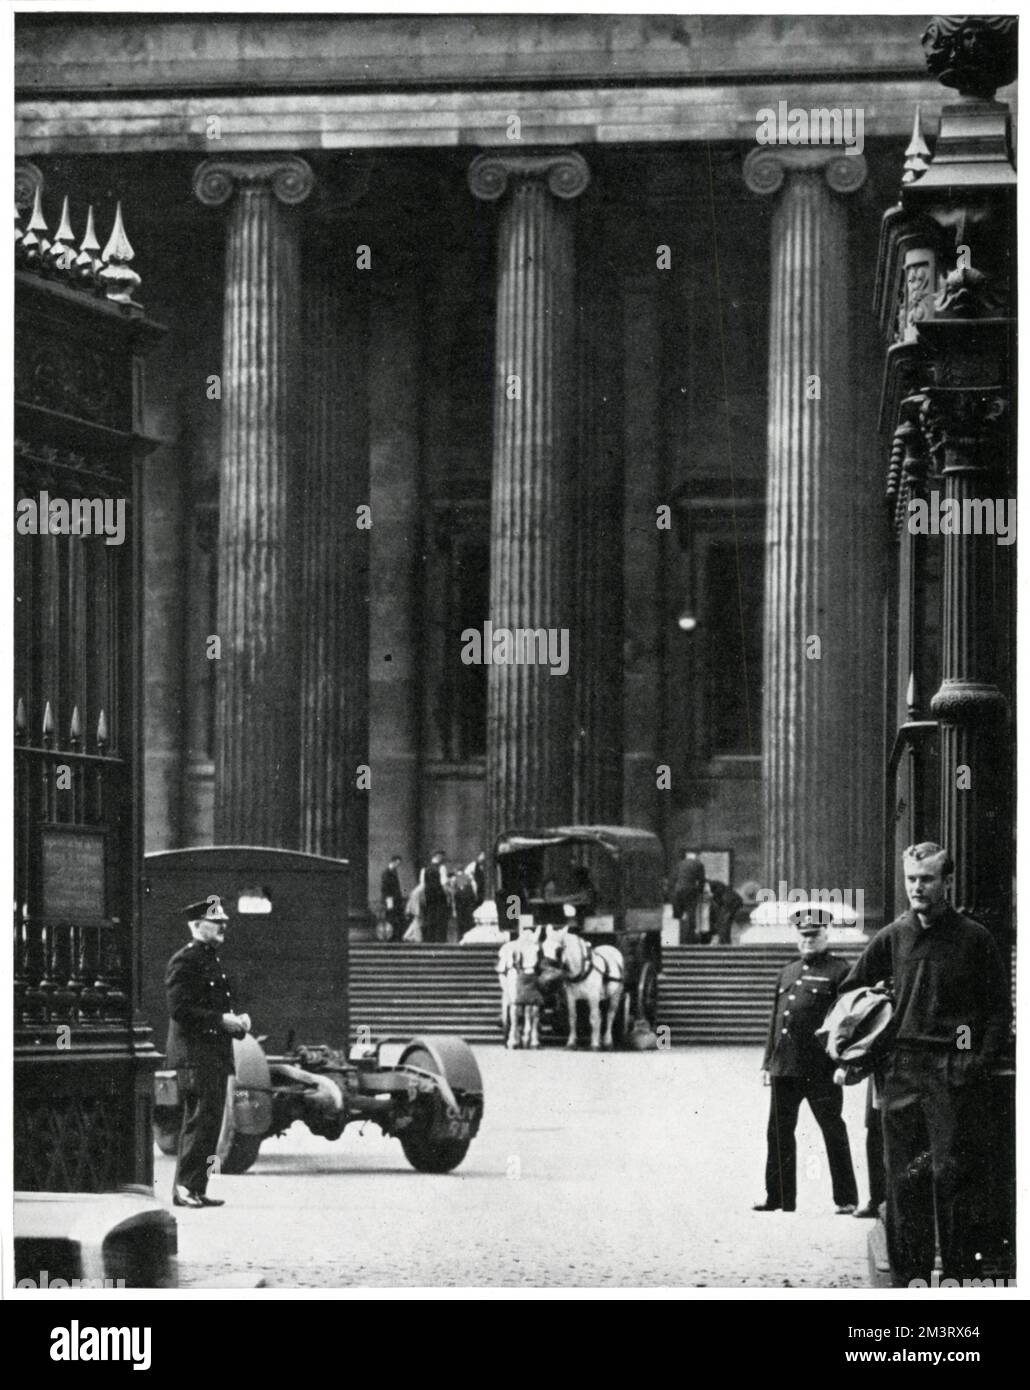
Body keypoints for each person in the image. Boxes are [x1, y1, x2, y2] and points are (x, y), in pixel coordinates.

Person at [839, 842, 1010, 1285]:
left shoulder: (975, 938)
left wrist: (973, 1063)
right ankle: (907, 1283)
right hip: (900, 1072)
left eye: (927, 879)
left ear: (947, 882)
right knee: (902, 1183)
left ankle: (958, 1282)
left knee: (950, 1176)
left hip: (949, 1072)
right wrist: (870, 1035)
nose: (917, 887)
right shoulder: (893, 936)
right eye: (911, 879)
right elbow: (852, 991)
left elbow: (997, 1011)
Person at [753, 907, 859, 1215]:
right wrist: (767, 1062)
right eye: (803, 935)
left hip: (820, 1068)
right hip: (784, 1066)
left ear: (827, 935)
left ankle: (846, 1198)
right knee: (777, 1132)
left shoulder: (840, 972)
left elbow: (847, 1021)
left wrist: (844, 1062)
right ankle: (779, 1197)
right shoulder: (787, 972)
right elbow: (776, 1021)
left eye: (814, 935)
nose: (808, 941)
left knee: (832, 1129)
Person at [164, 895, 250, 1209]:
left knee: (210, 1123)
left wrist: (237, 1021)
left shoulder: (209, 957)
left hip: (211, 1054)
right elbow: (179, 1010)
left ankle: (196, 1187)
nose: (224, 926)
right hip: (194, 1055)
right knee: (199, 1122)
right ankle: (184, 1188)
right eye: (217, 922)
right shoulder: (185, 959)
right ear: (199, 926)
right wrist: (220, 1020)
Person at [672, 849, 706, 943]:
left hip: (678, 890)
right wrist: (700, 892)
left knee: (678, 915)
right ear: (696, 855)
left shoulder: (680, 864)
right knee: (691, 914)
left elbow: (674, 878)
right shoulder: (699, 864)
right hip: (691, 890)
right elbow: (701, 880)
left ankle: (679, 938)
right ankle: (689, 938)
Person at [422, 850, 450, 943]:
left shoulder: (425, 868)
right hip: (439, 896)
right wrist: (448, 896)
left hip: (429, 896)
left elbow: (423, 884)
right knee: (441, 917)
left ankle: (430, 938)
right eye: (442, 856)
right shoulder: (441, 868)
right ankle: (440, 939)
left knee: (430, 917)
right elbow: (444, 884)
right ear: (439, 856)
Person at [708, 880, 743, 945]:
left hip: (731, 905)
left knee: (724, 922)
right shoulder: (724, 892)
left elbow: (726, 907)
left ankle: (724, 941)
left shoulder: (725, 896)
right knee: (724, 922)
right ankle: (724, 940)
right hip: (732, 904)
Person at [380, 854, 405, 940]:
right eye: (397, 863)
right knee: (391, 918)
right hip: (390, 899)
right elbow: (385, 888)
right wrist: (388, 900)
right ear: (393, 862)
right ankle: (391, 936)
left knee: (395, 918)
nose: (398, 865)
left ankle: (394, 936)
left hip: (395, 899)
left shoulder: (393, 872)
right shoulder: (386, 873)